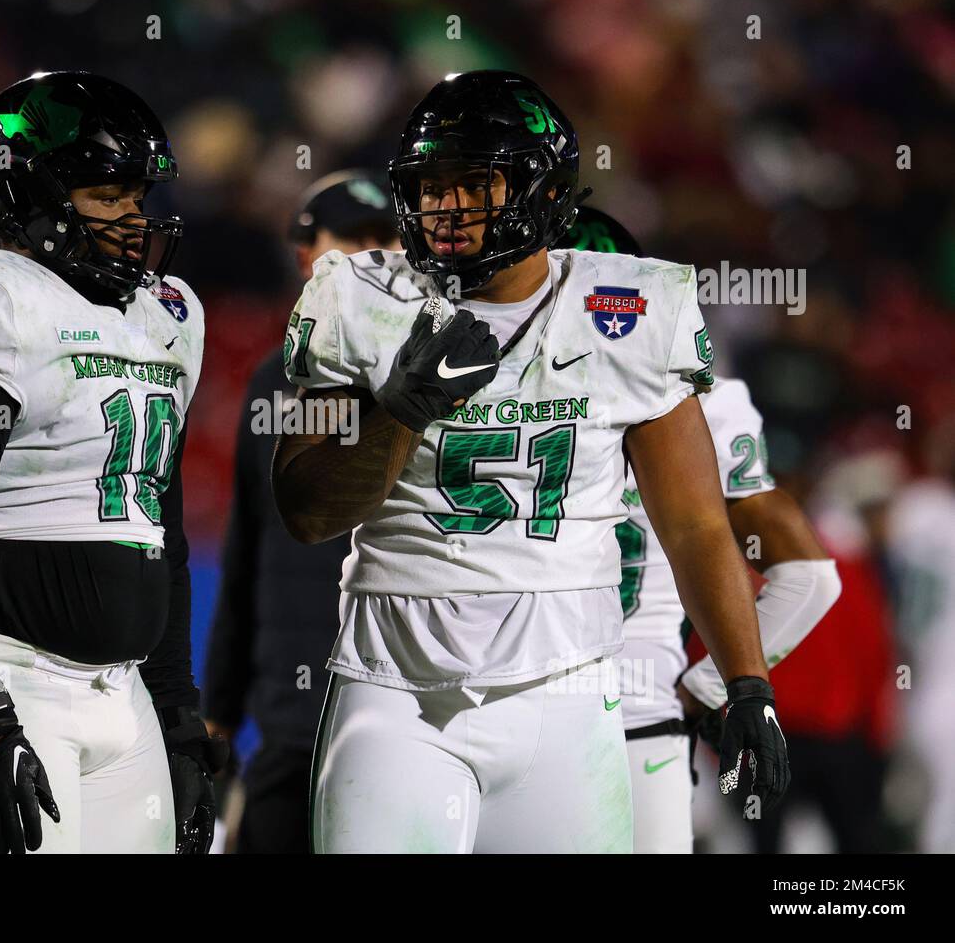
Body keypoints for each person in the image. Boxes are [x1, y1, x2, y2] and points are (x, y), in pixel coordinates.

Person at [272, 70, 789, 853]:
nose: (444, 208)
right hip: (394, 694)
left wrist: (747, 683)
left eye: (472, 183)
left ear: (543, 191)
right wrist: (405, 408)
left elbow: (693, 526)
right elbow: (305, 511)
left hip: (570, 697)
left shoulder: (631, 311)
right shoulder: (353, 298)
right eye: (430, 185)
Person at [0, 71, 225, 855]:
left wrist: (175, 708)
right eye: (108, 196)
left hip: (123, 692)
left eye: (139, 196)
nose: (134, 220)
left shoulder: (166, 314)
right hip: (8, 674)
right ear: (27, 197)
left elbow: (156, 527)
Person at [557, 206, 841, 853]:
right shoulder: (707, 403)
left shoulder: (477, 397)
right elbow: (811, 578)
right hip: (639, 711)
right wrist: (714, 687)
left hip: (502, 705)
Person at [203, 169, 400, 853]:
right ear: (304, 252)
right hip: (293, 718)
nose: (378, 253)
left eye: (391, 238)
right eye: (356, 237)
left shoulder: (442, 369)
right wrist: (219, 709)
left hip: (401, 714)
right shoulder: (274, 379)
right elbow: (248, 548)